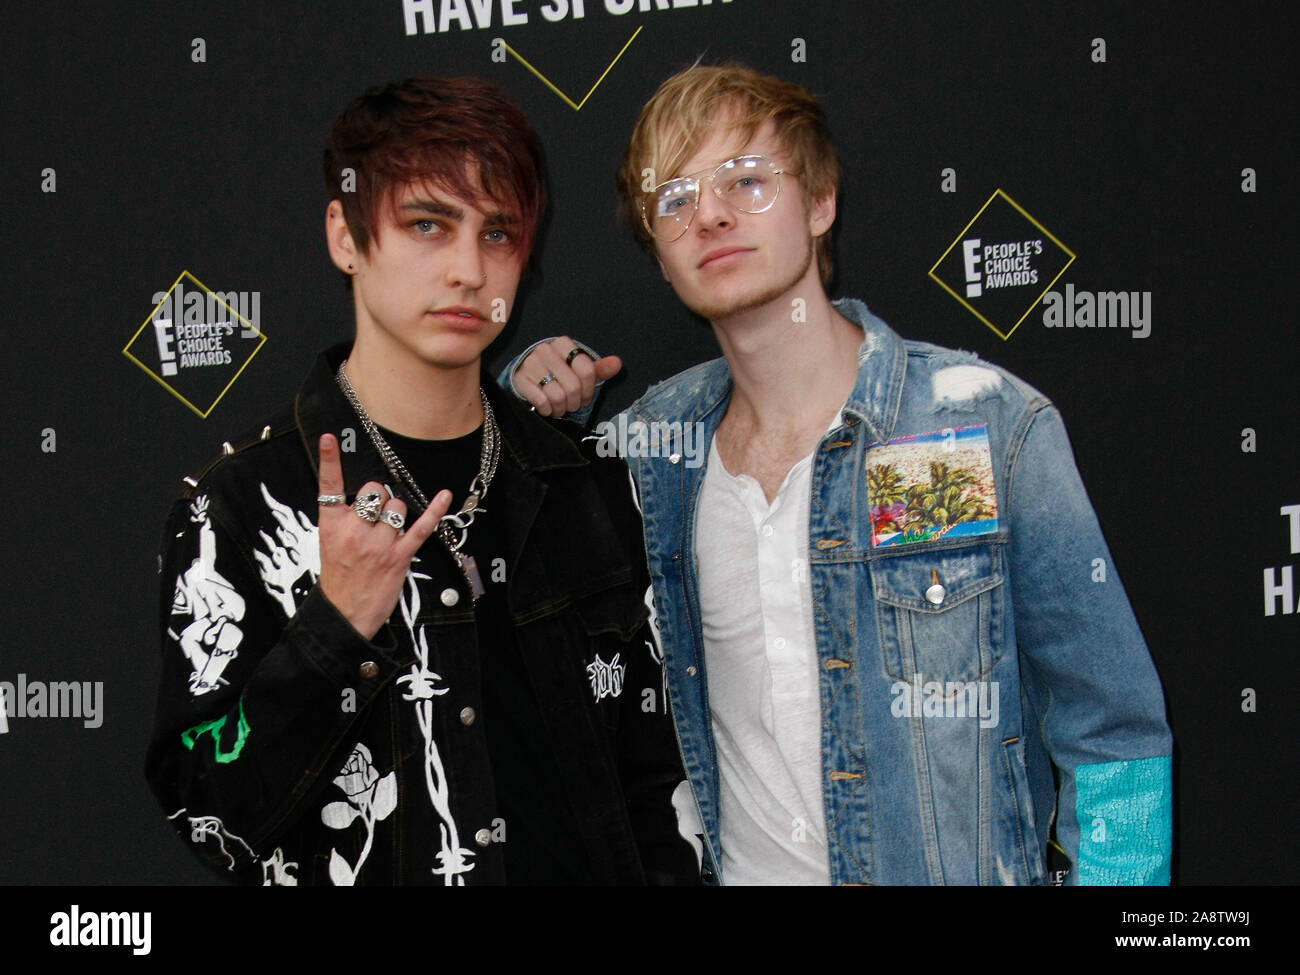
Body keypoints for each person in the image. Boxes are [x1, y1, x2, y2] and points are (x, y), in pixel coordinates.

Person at [510, 64, 1173, 885]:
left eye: (747, 181)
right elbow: (497, 503)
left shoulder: (983, 425)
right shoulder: (651, 454)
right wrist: (525, 396)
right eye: (673, 198)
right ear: (658, 247)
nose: (709, 213)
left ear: (820, 202)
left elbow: (1114, 736)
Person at [146, 77, 699, 886]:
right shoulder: (240, 505)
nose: (469, 270)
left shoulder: (580, 481)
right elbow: (212, 817)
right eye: (428, 225)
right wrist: (330, 633)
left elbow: (654, 782)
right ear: (345, 233)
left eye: (498, 233)